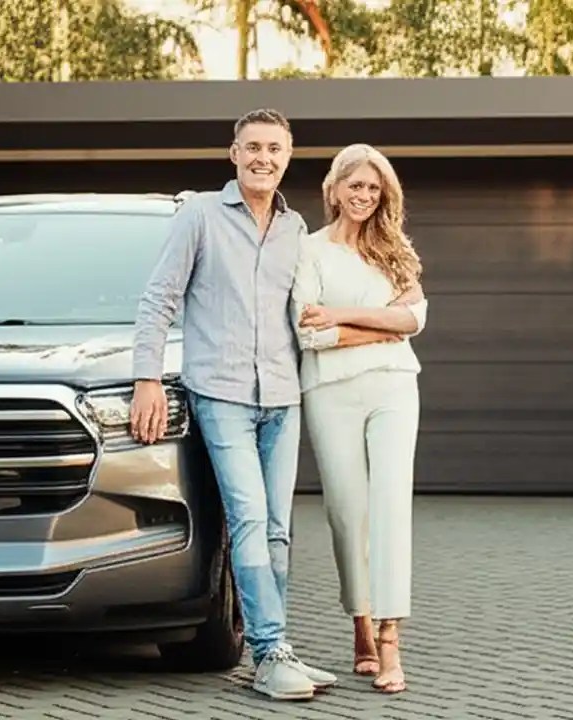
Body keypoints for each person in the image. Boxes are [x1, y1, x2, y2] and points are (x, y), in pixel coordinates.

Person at [128, 110, 397, 701]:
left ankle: (280, 650)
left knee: (278, 531)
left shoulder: (296, 228)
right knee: (248, 522)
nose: (263, 158)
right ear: (233, 154)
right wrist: (146, 376)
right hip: (220, 394)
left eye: (274, 149)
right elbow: (159, 299)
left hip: (282, 395)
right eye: (252, 147)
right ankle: (271, 652)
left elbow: (306, 314)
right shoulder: (198, 214)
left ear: (288, 155)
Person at [292, 143, 428, 695]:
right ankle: (361, 625)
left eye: (374, 188)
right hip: (330, 390)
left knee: (392, 503)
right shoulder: (309, 250)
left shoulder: (393, 250)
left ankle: (392, 639)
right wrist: (381, 326)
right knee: (348, 512)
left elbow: (414, 318)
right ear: (334, 189)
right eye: (356, 186)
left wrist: (346, 316)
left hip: (394, 385)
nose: (364, 196)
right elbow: (308, 333)